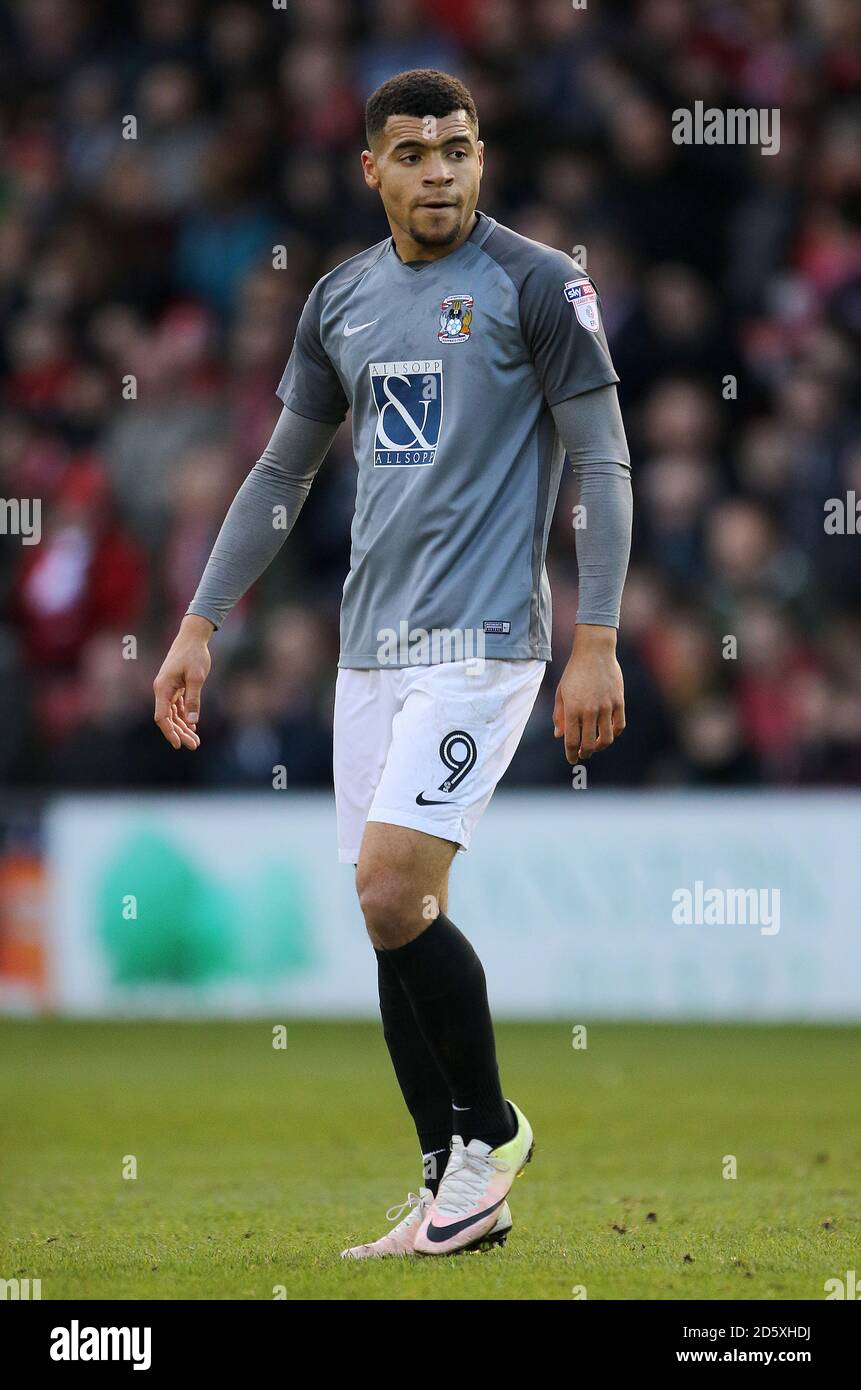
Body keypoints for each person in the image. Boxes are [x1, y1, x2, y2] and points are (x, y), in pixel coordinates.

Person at [153, 68, 632, 1258]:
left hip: (485, 643)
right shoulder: (341, 300)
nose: (440, 172)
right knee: (393, 917)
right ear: (371, 168)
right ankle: (449, 1191)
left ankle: (495, 1130)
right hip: (370, 651)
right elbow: (280, 474)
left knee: (388, 886)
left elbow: (606, 466)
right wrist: (201, 623)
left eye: (459, 150)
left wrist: (600, 637)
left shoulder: (538, 284)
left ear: (482, 158)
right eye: (414, 154)